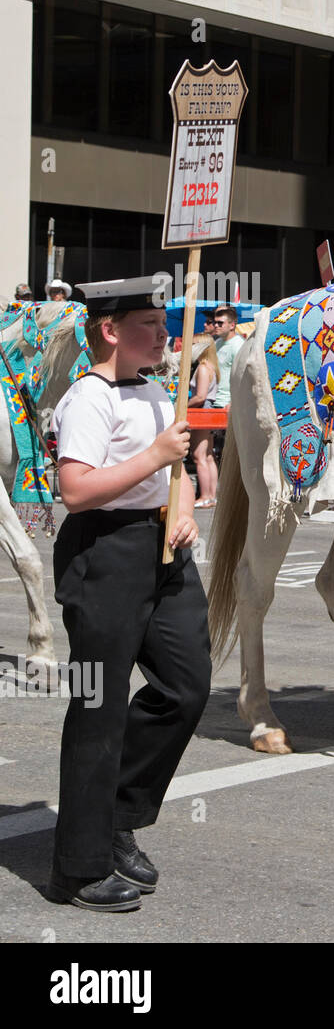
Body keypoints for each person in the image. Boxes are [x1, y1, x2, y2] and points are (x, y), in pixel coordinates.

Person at [46, 275, 210, 912]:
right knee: (99, 706)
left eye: (165, 319)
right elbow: (77, 491)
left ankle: (115, 816)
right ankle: (77, 871)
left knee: (186, 686)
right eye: (149, 322)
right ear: (110, 331)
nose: (165, 331)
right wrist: (159, 456)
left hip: (163, 548)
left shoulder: (156, 391)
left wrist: (185, 504)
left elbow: (177, 473)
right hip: (104, 552)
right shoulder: (89, 398)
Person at [187, 337, 219, 506]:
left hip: (202, 413)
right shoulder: (210, 367)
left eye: (194, 345)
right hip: (210, 412)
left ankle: (206, 496)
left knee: (199, 456)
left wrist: (182, 405)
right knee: (207, 456)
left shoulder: (203, 368)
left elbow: (200, 396)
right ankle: (211, 495)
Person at [206, 304, 239, 410]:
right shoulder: (217, 343)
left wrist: (233, 402)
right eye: (215, 322)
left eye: (220, 323)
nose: (216, 325)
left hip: (227, 405)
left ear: (232, 325)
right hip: (213, 401)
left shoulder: (238, 345)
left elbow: (244, 378)